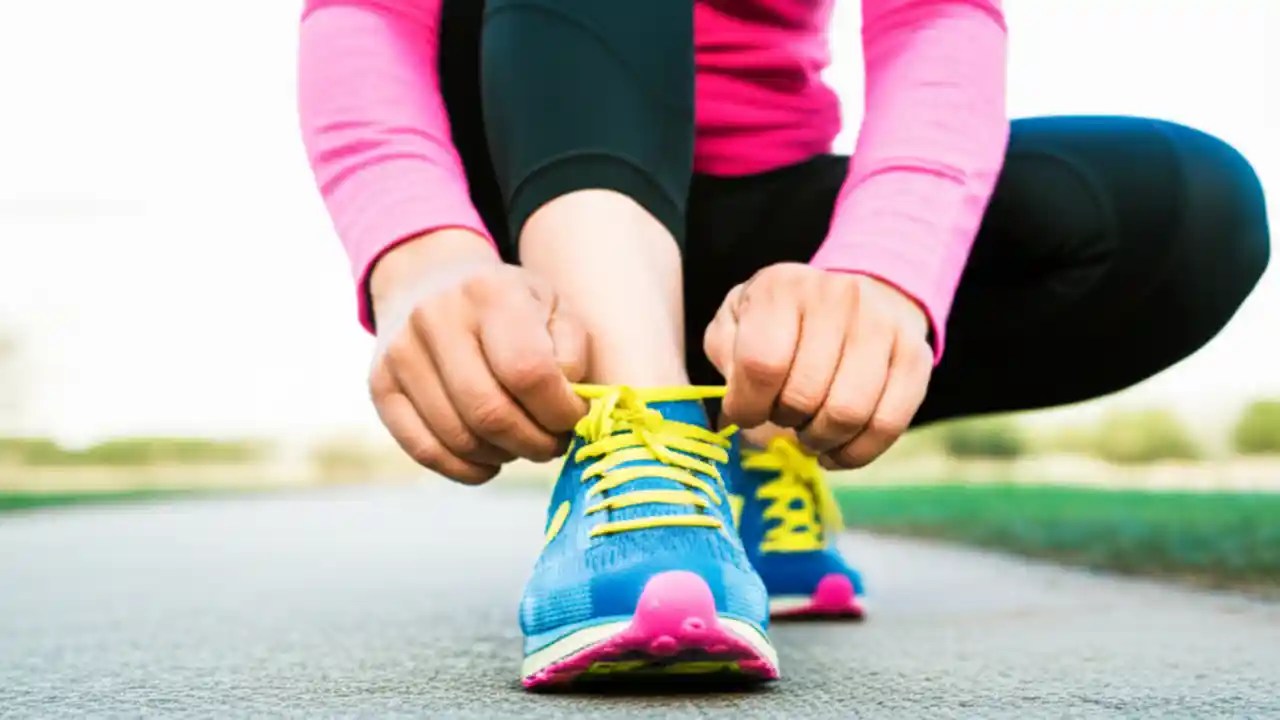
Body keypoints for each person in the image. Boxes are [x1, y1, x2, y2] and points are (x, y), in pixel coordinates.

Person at [297, 0, 1270, 689]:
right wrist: (419, 254)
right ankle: (640, 464)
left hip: (759, 197)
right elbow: (365, 14)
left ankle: (749, 437)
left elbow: (934, 15)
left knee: (1192, 214)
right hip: (529, 180)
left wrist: (880, 273)